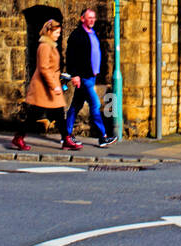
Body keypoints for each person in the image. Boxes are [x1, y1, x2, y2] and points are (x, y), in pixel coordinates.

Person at [10, 19, 68, 151]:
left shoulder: (50, 45)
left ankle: (67, 139)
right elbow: (43, 68)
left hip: (49, 85)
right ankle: (18, 138)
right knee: (34, 115)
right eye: (56, 32)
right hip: (44, 87)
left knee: (59, 113)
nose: (58, 35)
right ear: (49, 31)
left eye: (59, 32)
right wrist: (54, 85)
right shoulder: (45, 46)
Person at [64, 8, 116, 148]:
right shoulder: (77, 35)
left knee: (75, 106)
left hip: (90, 76)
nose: (92, 20)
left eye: (94, 17)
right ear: (82, 19)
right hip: (83, 77)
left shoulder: (93, 33)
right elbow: (70, 56)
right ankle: (102, 136)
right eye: (89, 17)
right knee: (95, 104)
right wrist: (74, 75)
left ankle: (66, 135)